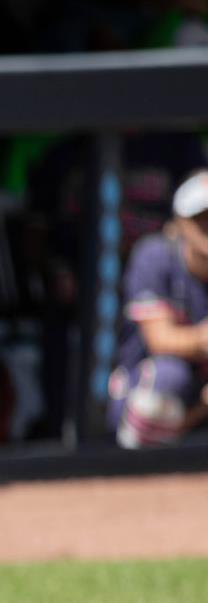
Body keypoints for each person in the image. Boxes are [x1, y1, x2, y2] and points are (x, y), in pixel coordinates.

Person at [108, 169, 208, 448]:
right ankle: (136, 472)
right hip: (147, 392)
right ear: (179, 223)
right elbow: (160, 340)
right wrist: (202, 338)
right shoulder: (155, 255)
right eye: (201, 218)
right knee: (168, 377)